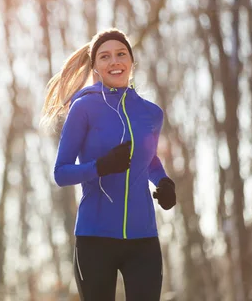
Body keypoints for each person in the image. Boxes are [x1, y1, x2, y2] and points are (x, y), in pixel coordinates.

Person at [41, 29, 176, 301]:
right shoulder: (84, 108)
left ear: (132, 62)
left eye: (120, 54)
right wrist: (99, 166)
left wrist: (163, 181)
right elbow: (61, 173)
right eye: (105, 56)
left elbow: (149, 159)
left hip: (143, 238)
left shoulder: (151, 113)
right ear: (96, 68)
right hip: (95, 238)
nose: (114, 61)